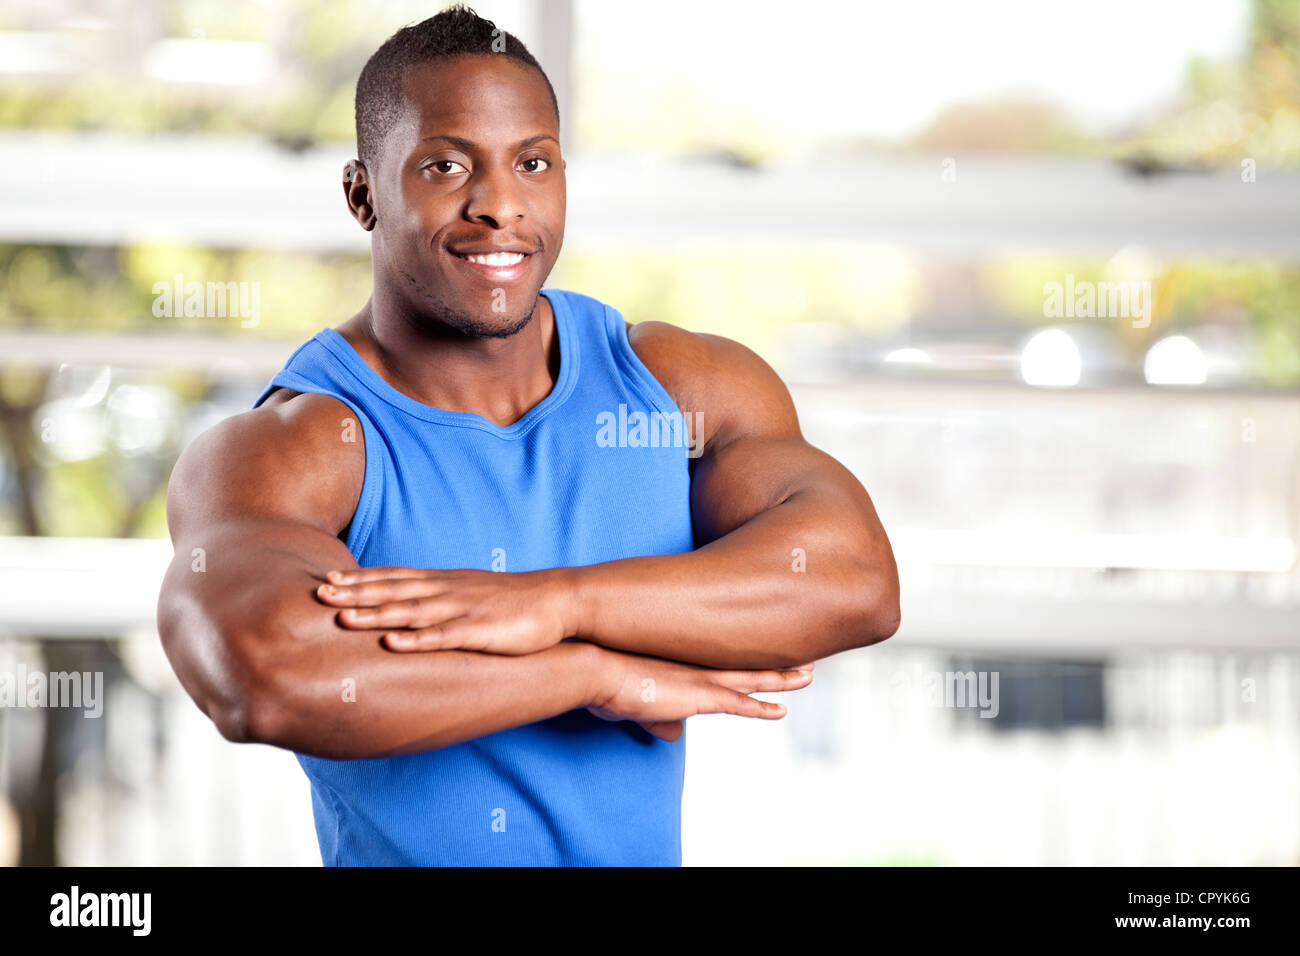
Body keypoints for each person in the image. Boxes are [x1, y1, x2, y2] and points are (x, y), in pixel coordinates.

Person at [156, 4, 900, 866]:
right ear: (362, 193)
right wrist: (595, 672)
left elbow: (853, 580)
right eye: (445, 166)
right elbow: (267, 680)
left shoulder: (674, 387)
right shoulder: (298, 445)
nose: (500, 206)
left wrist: (553, 602)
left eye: (533, 163)